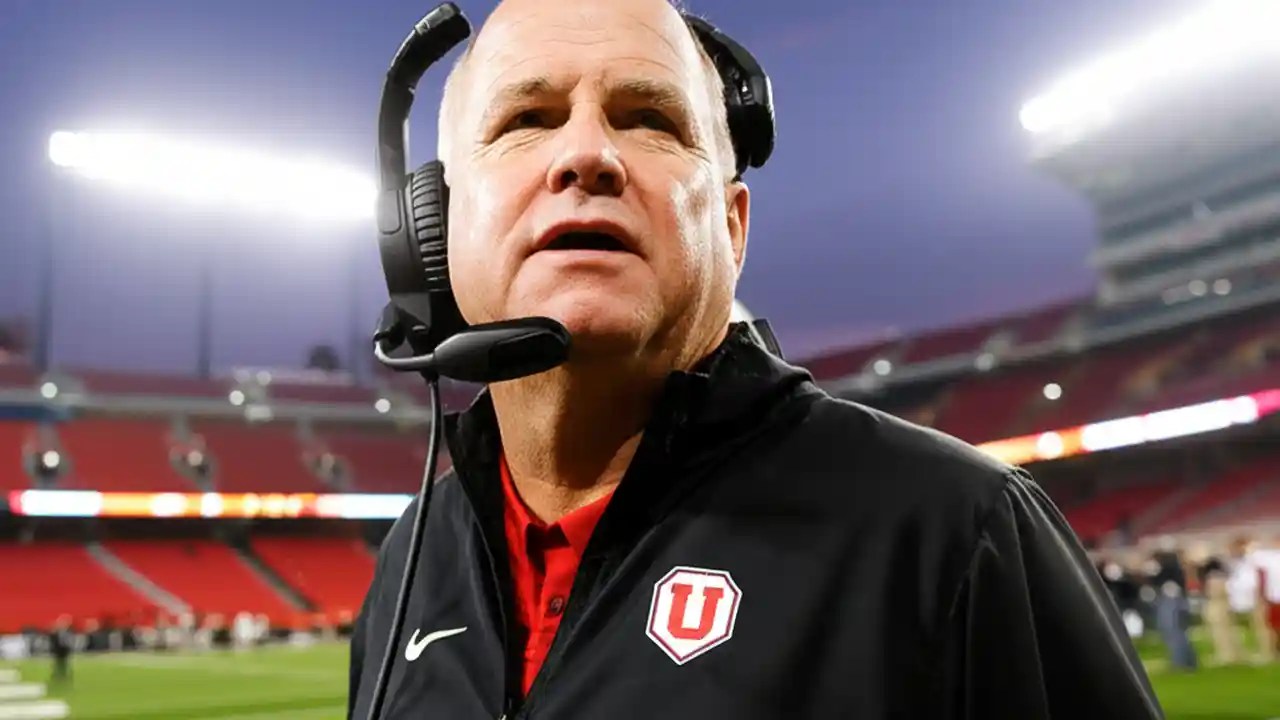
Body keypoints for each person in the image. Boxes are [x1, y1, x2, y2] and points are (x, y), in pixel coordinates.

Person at [347, 1, 1163, 718]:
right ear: (432, 226)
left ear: (733, 228)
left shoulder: (956, 529)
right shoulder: (413, 557)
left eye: (650, 120)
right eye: (526, 119)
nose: (587, 155)